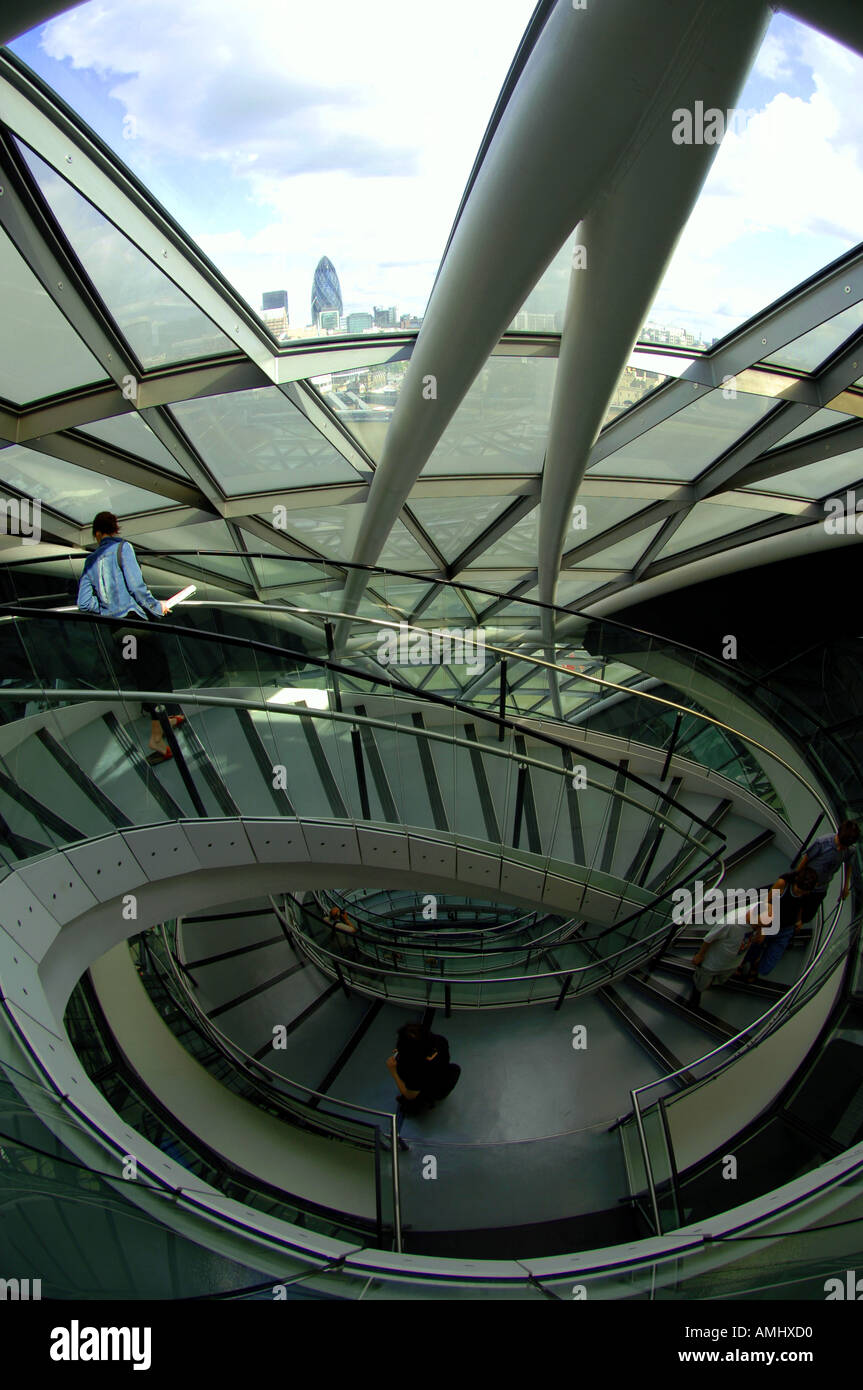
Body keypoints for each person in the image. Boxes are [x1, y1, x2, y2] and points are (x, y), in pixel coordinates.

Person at [77, 512, 183, 763]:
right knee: (157, 675)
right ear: (115, 529)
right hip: (135, 624)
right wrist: (158, 607)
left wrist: (106, 610)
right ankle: (156, 739)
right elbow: (136, 587)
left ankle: (164, 721)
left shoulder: (90, 561)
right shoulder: (123, 549)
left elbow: (83, 603)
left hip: (118, 632)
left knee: (143, 677)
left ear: (96, 534)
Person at [737, 867, 820, 983]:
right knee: (754, 948)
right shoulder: (783, 884)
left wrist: (798, 920)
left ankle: (756, 963)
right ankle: (748, 962)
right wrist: (762, 929)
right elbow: (767, 903)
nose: (799, 893)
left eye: (803, 892)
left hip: (786, 929)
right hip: (770, 925)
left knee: (767, 967)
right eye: (798, 890)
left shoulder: (806, 892)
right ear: (795, 881)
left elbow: (800, 905)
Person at [386, 1024, 457, 1128]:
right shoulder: (440, 1041)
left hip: (428, 1089)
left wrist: (393, 1072)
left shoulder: (413, 1070)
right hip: (444, 1076)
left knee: (410, 1101)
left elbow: (410, 1095)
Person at [689, 913, 761, 1008]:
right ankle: (695, 996)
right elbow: (709, 938)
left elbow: (757, 940)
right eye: (759, 924)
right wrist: (700, 955)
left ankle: (710, 983)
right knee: (701, 983)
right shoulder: (731, 923)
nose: (759, 927)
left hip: (732, 963)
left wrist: (760, 929)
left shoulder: (758, 926)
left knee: (721, 979)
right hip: (712, 963)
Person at [794, 821, 858, 915]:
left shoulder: (850, 850)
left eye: (845, 847)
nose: (841, 849)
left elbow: (849, 864)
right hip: (805, 883)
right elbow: (806, 859)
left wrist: (846, 886)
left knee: (808, 913)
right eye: (841, 845)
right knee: (792, 907)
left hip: (821, 888)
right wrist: (795, 877)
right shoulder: (822, 843)